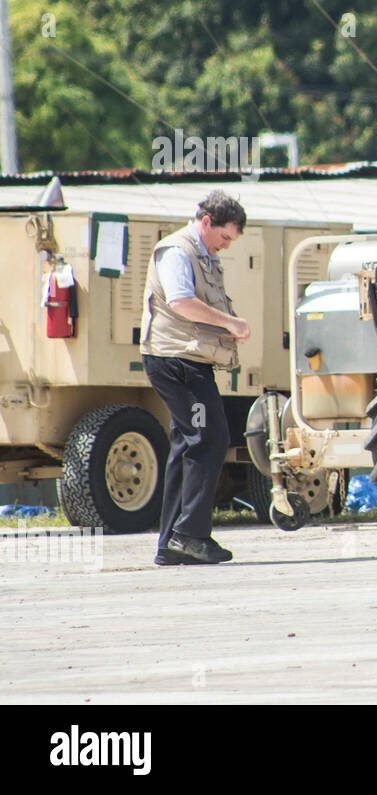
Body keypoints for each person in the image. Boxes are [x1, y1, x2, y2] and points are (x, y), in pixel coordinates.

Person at [142, 190, 251, 566]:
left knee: (189, 443)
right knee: (208, 436)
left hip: (187, 362)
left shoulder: (199, 251)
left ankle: (171, 542)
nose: (225, 246)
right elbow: (180, 301)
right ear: (207, 223)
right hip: (178, 363)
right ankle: (190, 535)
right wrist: (231, 323)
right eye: (224, 238)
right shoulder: (176, 251)